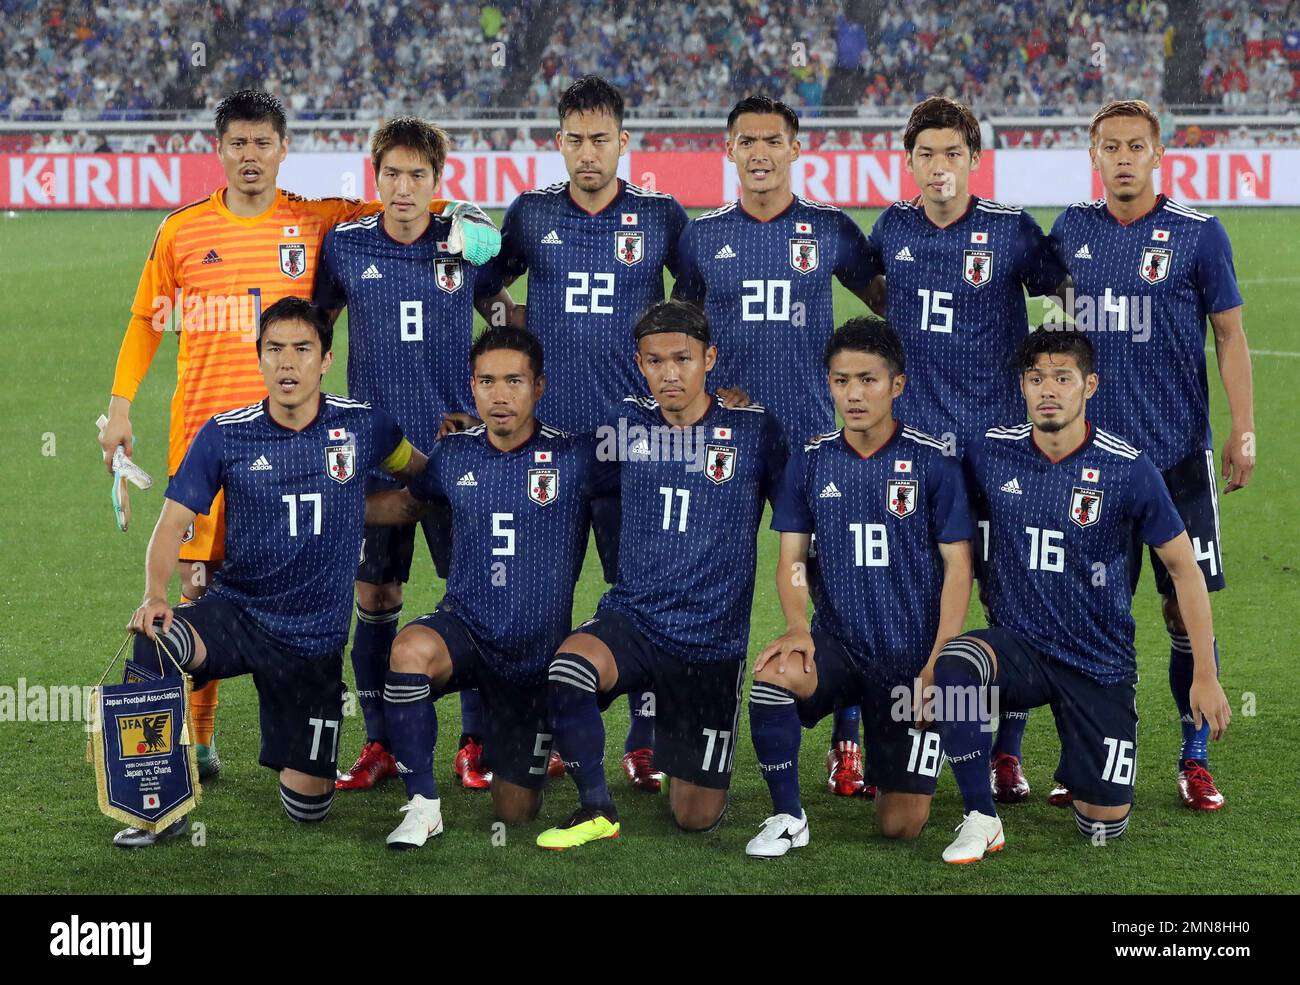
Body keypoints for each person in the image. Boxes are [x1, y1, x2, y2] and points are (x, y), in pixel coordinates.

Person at [98, 90, 499, 800]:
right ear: (219, 148)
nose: (251, 156)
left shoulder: (373, 229)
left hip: (411, 450)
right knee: (237, 584)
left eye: (263, 143)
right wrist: (120, 403)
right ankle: (223, 740)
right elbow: (163, 316)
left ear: (284, 148)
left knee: (468, 594)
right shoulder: (218, 232)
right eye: (238, 143)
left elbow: (490, 294)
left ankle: (477, 741)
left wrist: (463, 219)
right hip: (244, 437)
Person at [116, 297, 427, 847]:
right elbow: (171, 526)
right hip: (238, 614)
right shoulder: (224, 434)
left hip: (313, 644)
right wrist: (153, 594)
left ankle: (291, 755)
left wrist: (471, 466)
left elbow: (418, 480)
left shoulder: (366, 427)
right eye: (275, 349)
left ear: (326, 359)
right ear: (258, 359)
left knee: (307, 809)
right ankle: (157, 806)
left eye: (302, 349)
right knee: (156, 638)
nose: (288, 363)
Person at [926, 330, 1231, 863]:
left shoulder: (1128, 468)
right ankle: (980, 816)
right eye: (1036, 377)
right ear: (1021, 385)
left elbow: (1185, 570)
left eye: (1063, 378)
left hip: (1098, 662)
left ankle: (1081, 759)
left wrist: (1204, 674)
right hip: (1019, 649)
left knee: (1103, 825)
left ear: (1088, 386)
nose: (1049, 390)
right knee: (957, 666)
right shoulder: (988, 453)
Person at [1041, 98, 1252, 810]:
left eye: (1136, 145)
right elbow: (1047, 337)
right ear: (1094, 155)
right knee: (1089, 608)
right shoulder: (1071, 230)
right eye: (1111, 146)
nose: (1123, 157)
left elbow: (1229, 336)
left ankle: (1193, 756)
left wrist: (1242, 428)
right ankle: (1083, 752)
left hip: (1177, 459)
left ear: (1158, 154)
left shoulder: (1198, 234)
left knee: (1179, 610)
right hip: (1090, 461)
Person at [860, 95, 1067, 802]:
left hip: (1000, 454)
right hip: (916, 455)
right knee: (890, 591)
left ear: (974, 160)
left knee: (1008, 601)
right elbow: (874, 303)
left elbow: (1061, 301)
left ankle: (1006, 753)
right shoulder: (891, 229)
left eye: (953, 154)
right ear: (909, 161)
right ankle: (863, 740)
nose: (940, 167)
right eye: (927, 154)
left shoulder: (1010, 231)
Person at [673, 94, 879, 796]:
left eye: (772, 138)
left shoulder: (832, 230)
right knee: (711, 582)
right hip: (727, 446)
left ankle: (847, 743)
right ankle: (700, 729)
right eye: (746, 140)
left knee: (841, 589)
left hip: (815, 442)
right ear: (727, 150)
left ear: (797, 148)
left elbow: (888, 301)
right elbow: (682, 328)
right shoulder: (702, 239)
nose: (759, 151)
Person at [491, 75, 691, 791]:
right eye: (574, 139)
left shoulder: (660, 215)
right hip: (548, 447)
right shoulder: (529, 214)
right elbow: (487, 284)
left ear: (623, 142)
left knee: (634, 591)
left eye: (600, 139)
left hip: (633, 448)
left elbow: (698, 301)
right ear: (559, 142)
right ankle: (542, 730)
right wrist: (509, 334)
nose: (587, 153)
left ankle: (643, 738)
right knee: (542, 595)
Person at [536, 301, 786, 849]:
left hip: (710, 642)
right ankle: (596, 808)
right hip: (636, 621)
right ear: (640, 363)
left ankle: (672, 748)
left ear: (709, 358)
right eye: (655, 361)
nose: (670, 374)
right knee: (569, 671)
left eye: (683, 359)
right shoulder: (624, 428)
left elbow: (797, 516)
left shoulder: (754, 431)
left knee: (694, 817)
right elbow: (552, 465)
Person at [314, 117, 515, 792]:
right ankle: (379, 742)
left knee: (476, 599)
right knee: (376, 595)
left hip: (459, 456)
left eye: (418, 176)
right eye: (392, 175)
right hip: (374, 460)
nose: (404, 189)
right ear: (377, 177)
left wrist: (498, 404)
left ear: (438, 181)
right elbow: (313, 330)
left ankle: (476, 744)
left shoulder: (465, 244)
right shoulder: (343, 247)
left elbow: (505, 322)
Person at [364, 328, 602, 846]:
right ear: (472, 387)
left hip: (535, 658)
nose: (500, 395)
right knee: (408, 651)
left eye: (514, 381)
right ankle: (423, 805)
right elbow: (408, 504)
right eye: (488, 381)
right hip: (466, 631)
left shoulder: (577, 458)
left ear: (539, 387)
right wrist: (334, 509)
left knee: (515, 812)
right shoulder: (453, 455)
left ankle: (542, 740)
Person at [746, 319, 973, 857]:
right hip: (840, 648)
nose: (853, 393)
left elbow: (959, 569)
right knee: (773, 674)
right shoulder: (811, 459)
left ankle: (903, 757)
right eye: (841, 379)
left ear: (897, 384)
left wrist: (938, 660)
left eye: (868, 380)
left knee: (900, 825)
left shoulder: (932, 463)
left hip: (910, 662)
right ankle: (787, 816)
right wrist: (799, 625)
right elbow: (793, 560)